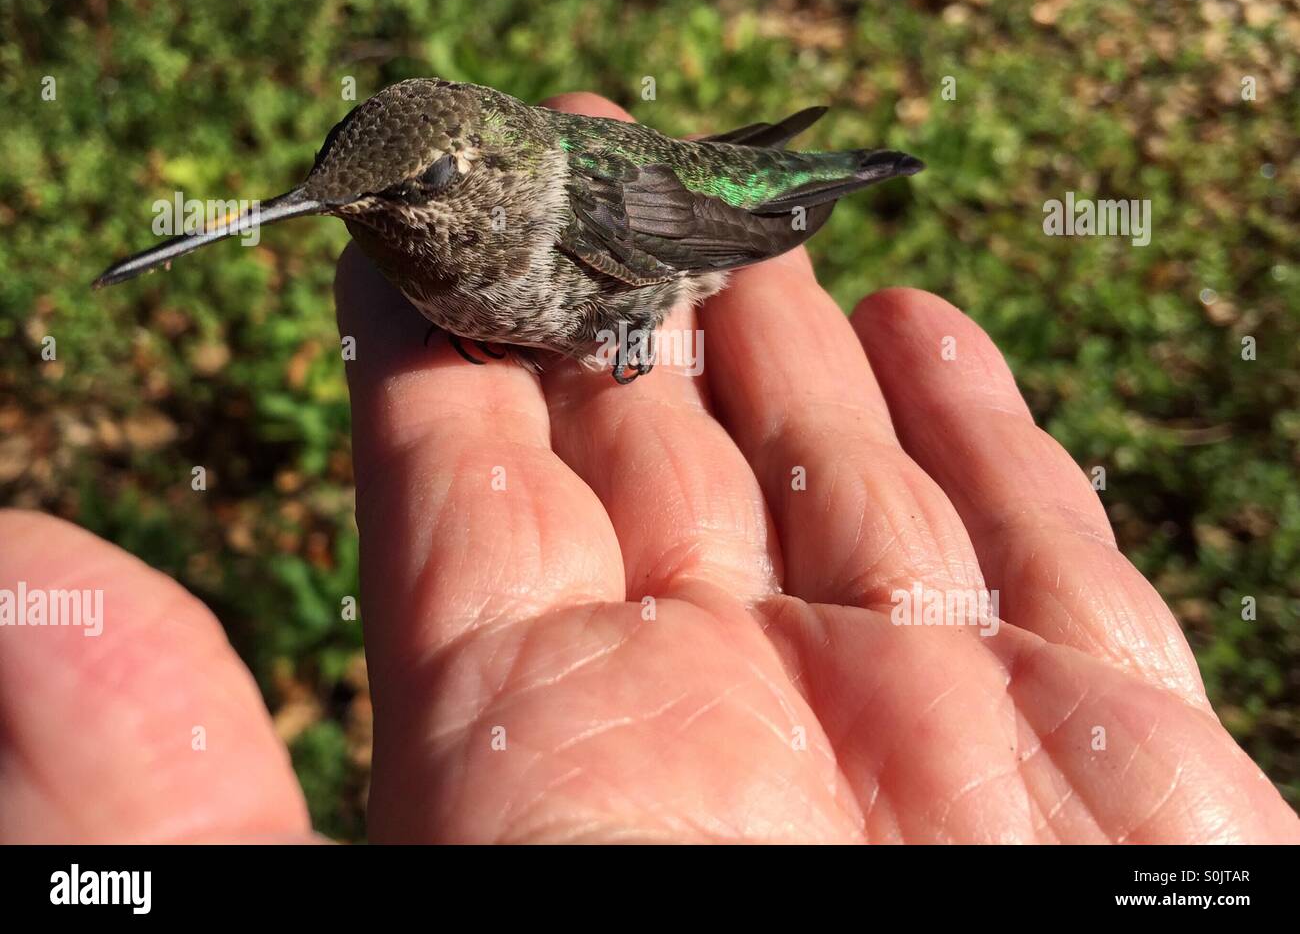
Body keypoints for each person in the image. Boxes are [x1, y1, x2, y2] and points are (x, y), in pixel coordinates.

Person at [1, 93, 1295, 844]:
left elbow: (704, 232)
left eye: (410, 193)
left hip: (678, 225)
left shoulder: (580, 205)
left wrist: (642, 309)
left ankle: (849, 162)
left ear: (484, 173)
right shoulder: (403, 226)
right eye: (352, 198)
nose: (358, 214)